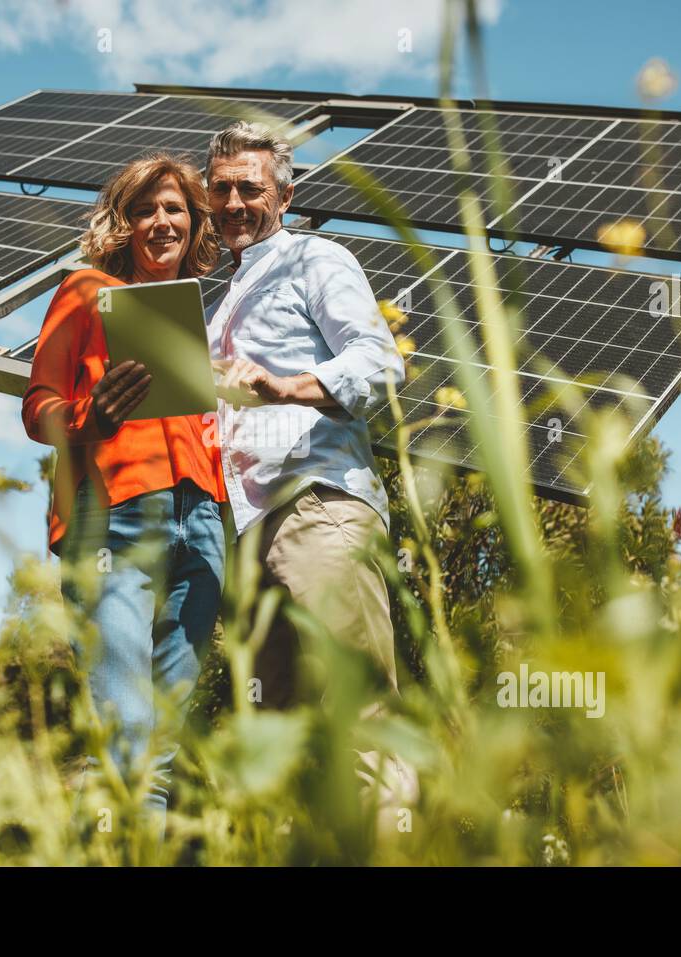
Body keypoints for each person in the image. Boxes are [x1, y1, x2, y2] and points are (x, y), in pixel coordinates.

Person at [20, 154, 226, 822]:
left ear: (193, 223)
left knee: (164, 736)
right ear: (124, 222)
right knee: (128, 722)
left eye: (174, 209)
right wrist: (90, 419)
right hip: (112, 516)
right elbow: (37, 403)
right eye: (145, 209)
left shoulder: (202, 317)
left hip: (201, 521)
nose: (161, 221)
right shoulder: (82, 292)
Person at [204, 121, 407, 709]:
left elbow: (381, 364)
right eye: (220, 190)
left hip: (316, 507)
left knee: (360, 709)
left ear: (285, 196)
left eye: (249, 188)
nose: (233, 204)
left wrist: (285, 386)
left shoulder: (316, 258)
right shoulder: (216, 303)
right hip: (244, 532)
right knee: (281, 739)